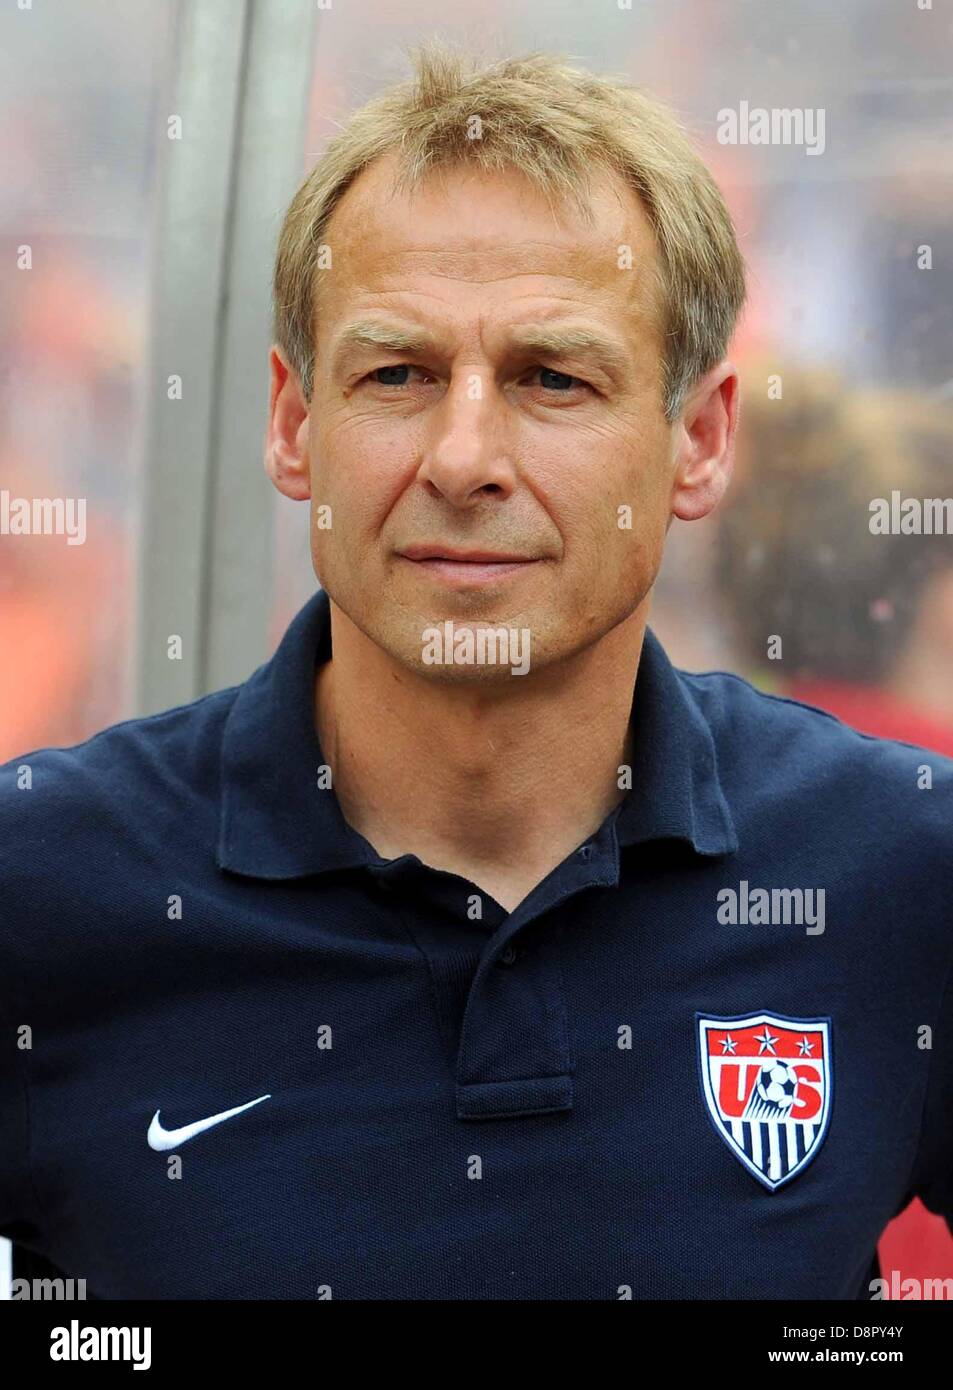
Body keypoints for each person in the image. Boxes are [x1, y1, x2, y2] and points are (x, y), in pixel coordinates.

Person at [1, 42, 950, 1301]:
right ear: (294, 425)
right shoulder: (42, 886)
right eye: (396, 373)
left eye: (550, 379)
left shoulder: (892, 866)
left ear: (700, 442)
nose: (462, 457)